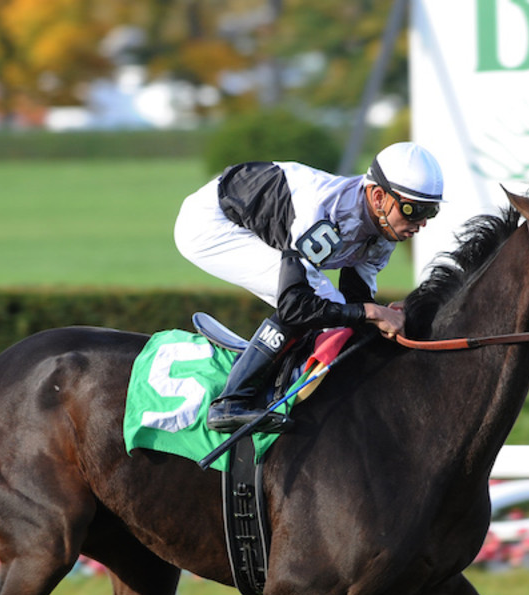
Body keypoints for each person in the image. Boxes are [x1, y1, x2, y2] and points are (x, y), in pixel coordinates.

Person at [173, 141, 445, 433]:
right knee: (309, 297)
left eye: (431, 212)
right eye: (413, 210)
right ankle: (230, 403)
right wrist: (372, 313)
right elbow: (295, 305)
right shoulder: (324, 212)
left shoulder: (384, 232)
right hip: (209, 224)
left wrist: (385, 316)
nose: (421, 223)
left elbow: (356, 299)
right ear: (379, 197)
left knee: (338, 312)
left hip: (254, 216)